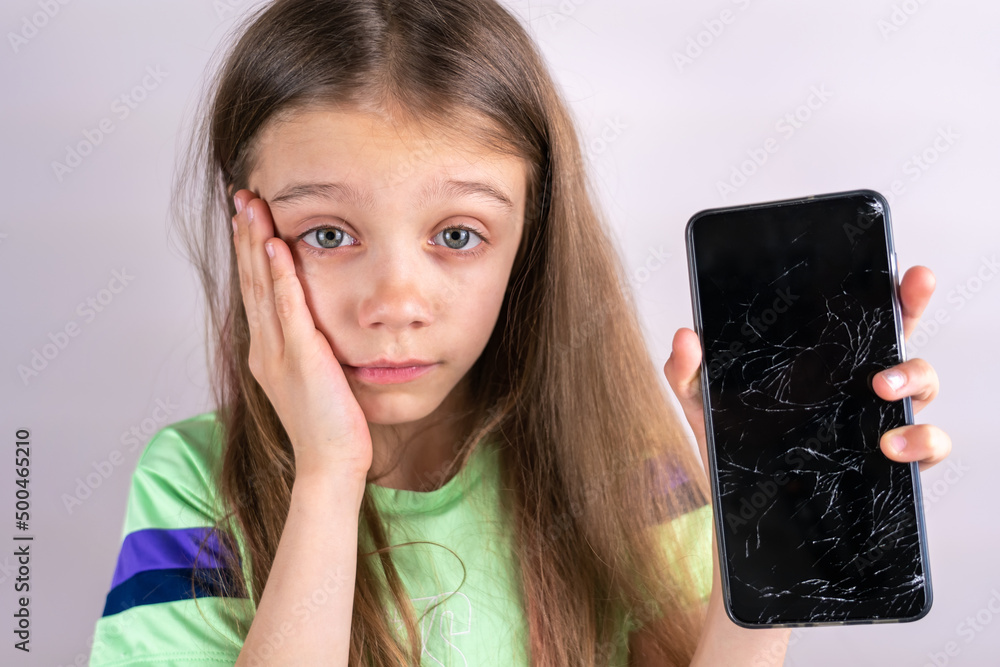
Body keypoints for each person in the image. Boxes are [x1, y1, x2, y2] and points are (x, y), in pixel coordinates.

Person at [87, 0, 952, 665]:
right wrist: (326, 474)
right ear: (252, 238)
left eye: (457, 235)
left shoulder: (624, 472)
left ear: (528, 246)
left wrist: (767, 522)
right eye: (327, 234)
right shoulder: (194, 488)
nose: (396, 302)